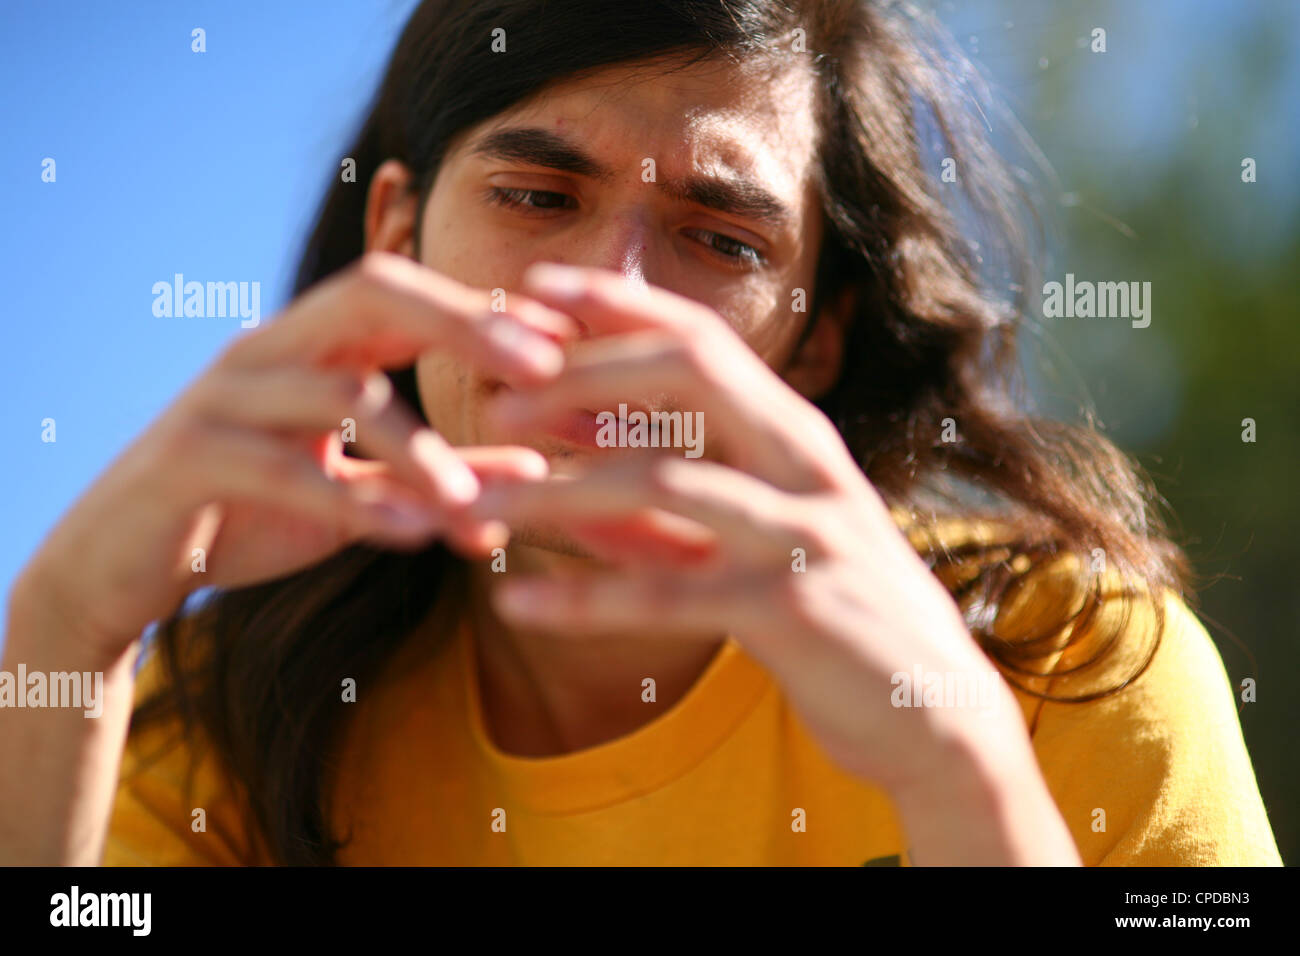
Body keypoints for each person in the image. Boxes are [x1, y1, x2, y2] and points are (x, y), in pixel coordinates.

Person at [0, 0, 1282, 866]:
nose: (612, 295)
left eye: (721, 239)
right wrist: (62, 635)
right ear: (395, 237)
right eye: (536, 194)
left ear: (819, 332)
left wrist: (965, 780)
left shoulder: (1074, 661)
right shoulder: (222, 717)